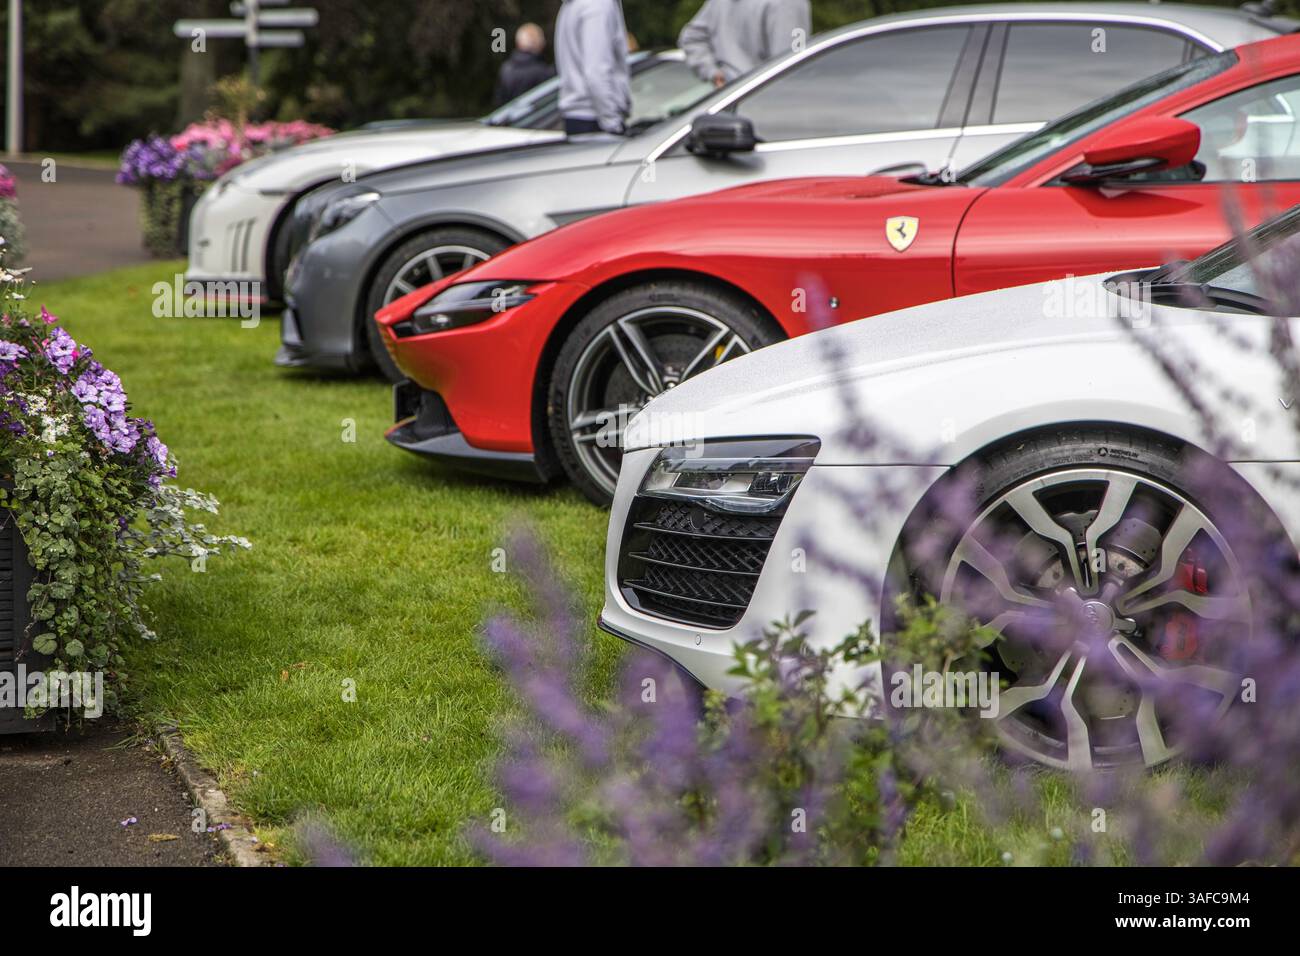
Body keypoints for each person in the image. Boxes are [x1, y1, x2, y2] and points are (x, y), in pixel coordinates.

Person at [679, 0, 812, 88]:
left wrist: (714, 73)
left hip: (728, 98)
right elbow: (793, 67)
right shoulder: (790, 3)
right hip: (765, 102)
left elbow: (691, 37)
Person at [555, 0, 632, 135]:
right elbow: (596, 72)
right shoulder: (598, 6)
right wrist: (612, 122)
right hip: (595, 118)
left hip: (578, 115)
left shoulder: (573, 5)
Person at [494, 23, 556, 107]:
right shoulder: (543, 72)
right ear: (541, 45)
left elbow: (499, 102)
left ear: (518, 43)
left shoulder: (506, 69)